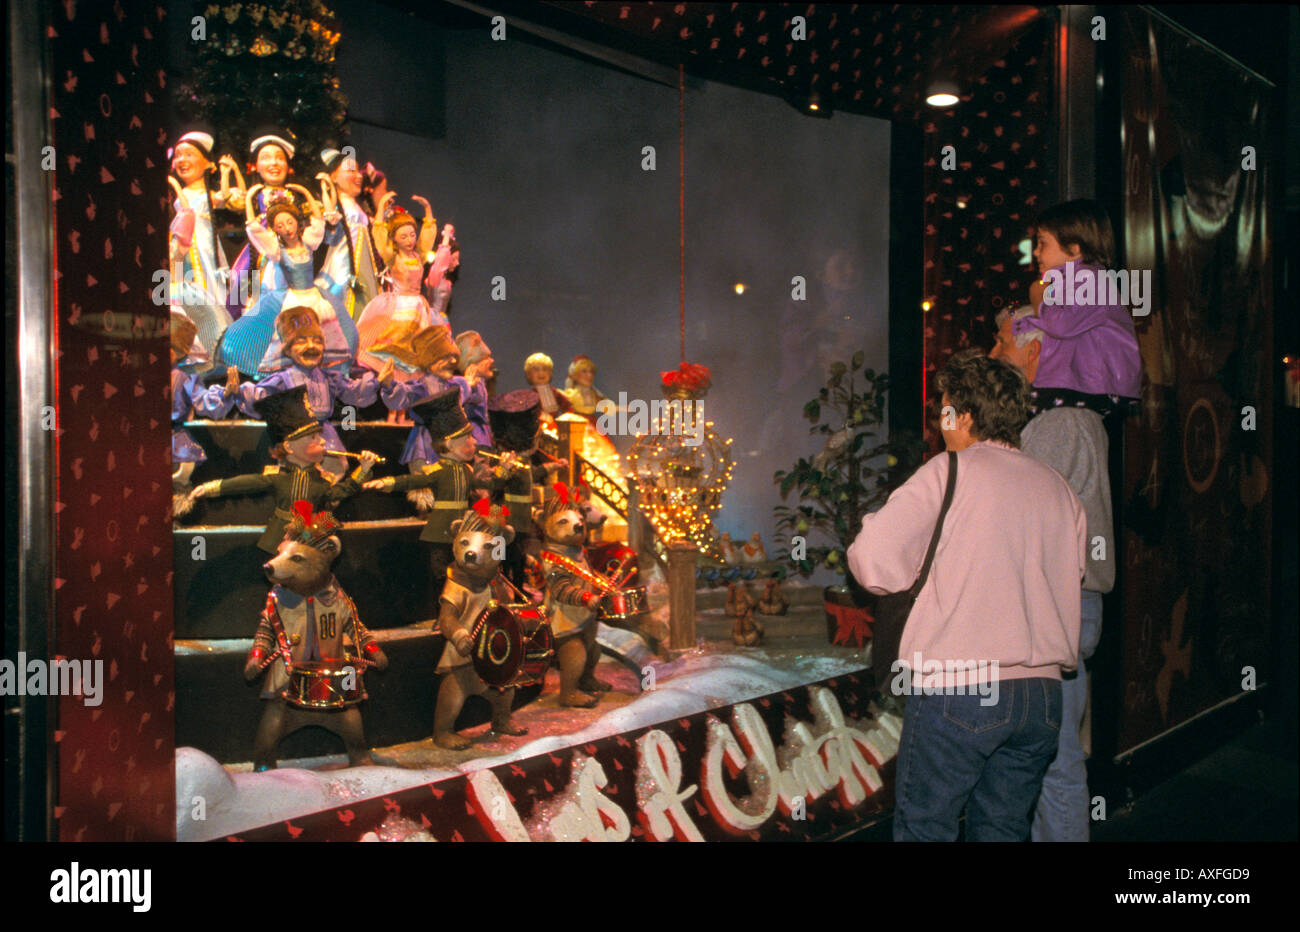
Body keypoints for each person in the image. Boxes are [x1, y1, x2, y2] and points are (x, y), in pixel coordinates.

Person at [846, 351, 1086, 842]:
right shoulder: (1058, 488)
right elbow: (1069, 578)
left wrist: (878, 524)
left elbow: (872, 563)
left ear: (968, 415)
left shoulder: (947, 471)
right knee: (1001, 829)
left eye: (946, 408)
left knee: (925, 829)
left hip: (960, 691)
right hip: (1042, 698)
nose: (941, 420)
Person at [992, 303, 1113, 842]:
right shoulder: (1069, 416)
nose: (995, 354)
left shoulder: (1058, 422)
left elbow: (1024, 520)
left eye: (1001, 343)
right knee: (1050, 759)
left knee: (1054, 764)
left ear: (1035, 350)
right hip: (1061, 606)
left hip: (1056, 607)